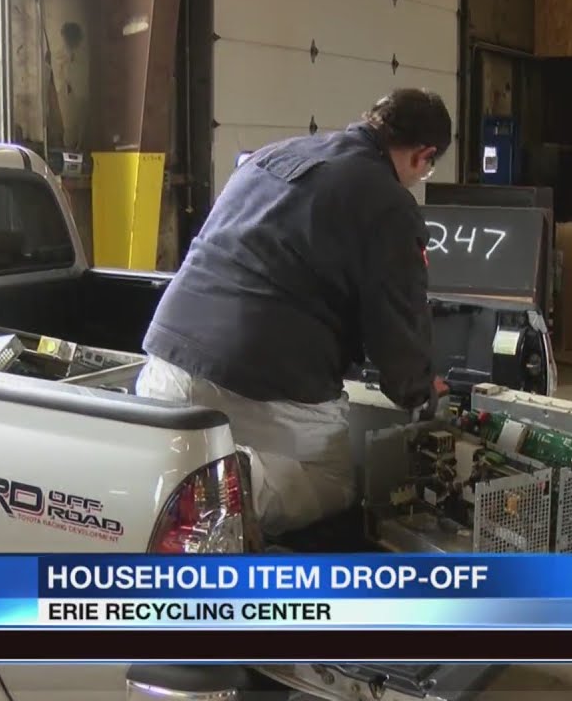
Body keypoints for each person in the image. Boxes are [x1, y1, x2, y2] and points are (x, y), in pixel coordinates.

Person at [137, 88, 452, 537]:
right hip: (256, 383)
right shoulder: (389, 204)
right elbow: (398, 330)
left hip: (166, 363)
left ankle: (177, 482)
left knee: (186, 461)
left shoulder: (274, 154)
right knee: (333, 482)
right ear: (423, 156)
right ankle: (210, 493)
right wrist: (420, 391)